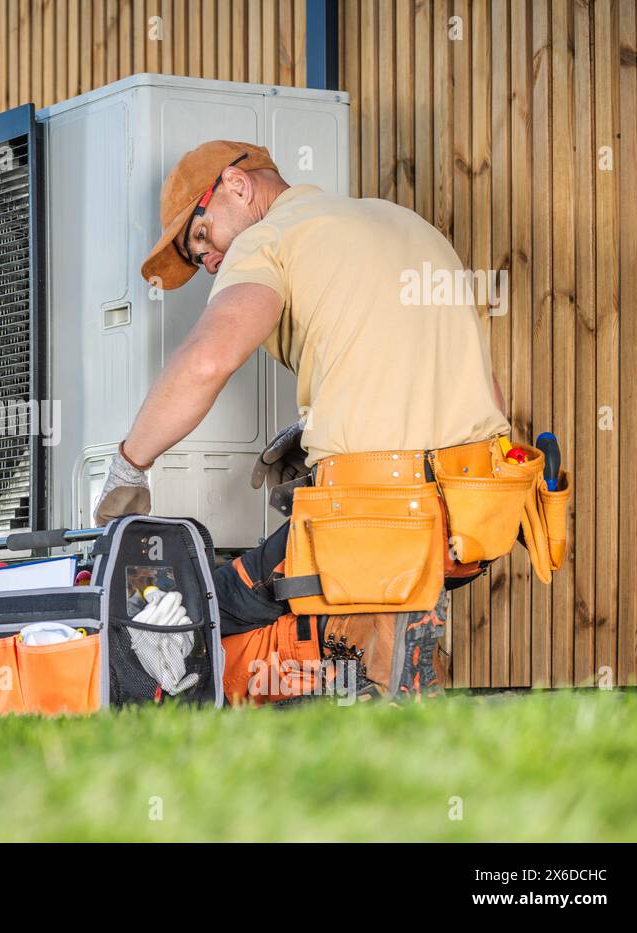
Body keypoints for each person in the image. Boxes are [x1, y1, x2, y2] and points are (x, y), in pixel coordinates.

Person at [93, 140, 511, 705]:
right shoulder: (405, 223)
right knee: (337, 601)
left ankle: (344, 686)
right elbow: (484, 389)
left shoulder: (269, 238)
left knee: (201, 606)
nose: (210, 261)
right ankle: (379, 671)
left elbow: (207, 360)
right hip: (472, 519)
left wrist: (129, 465)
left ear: (237, 187)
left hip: (374, 517)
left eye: (201, 237)